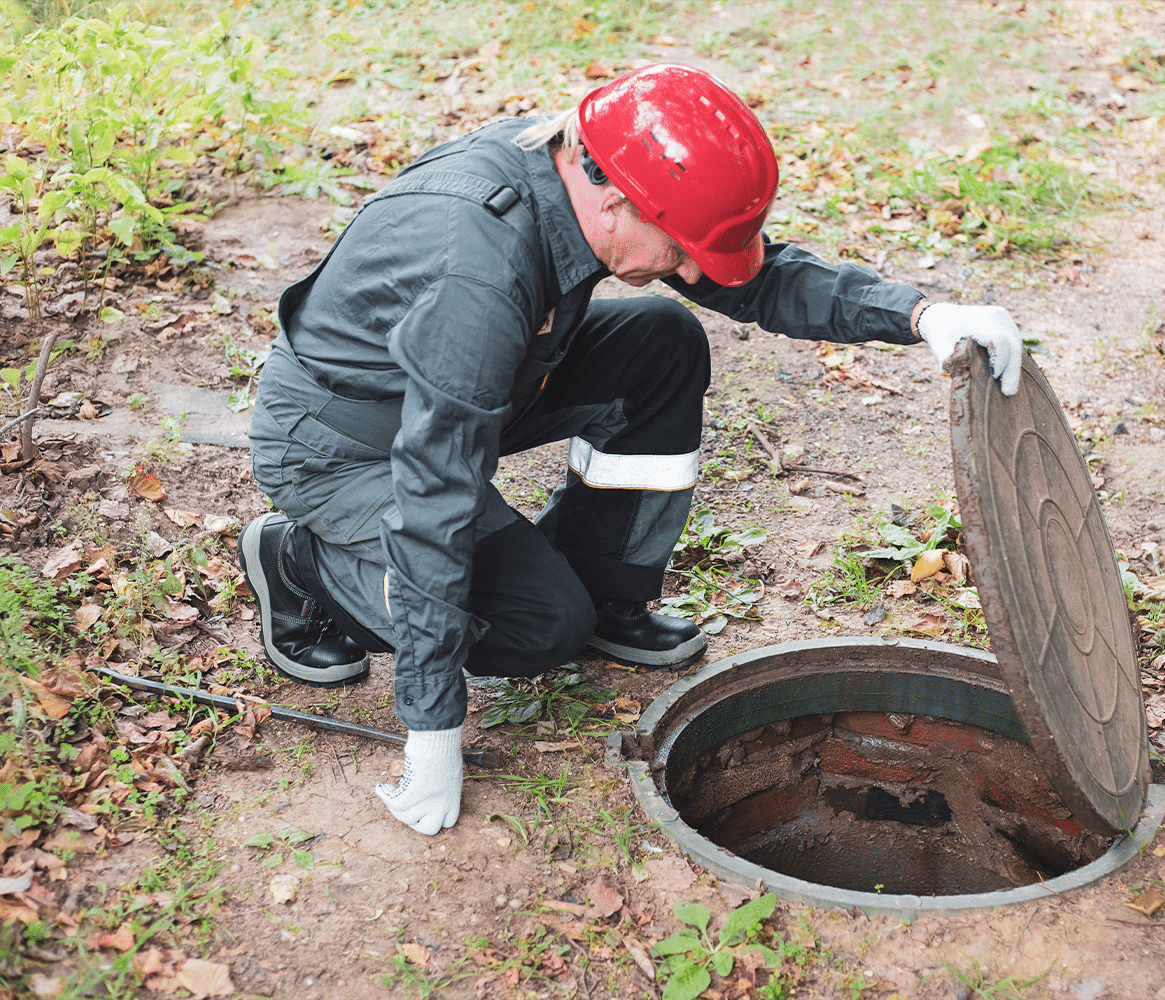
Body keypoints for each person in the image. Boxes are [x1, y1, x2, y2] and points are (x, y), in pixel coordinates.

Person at [238, 63, 1023, 836]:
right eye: (680, 250)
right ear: (613, 199)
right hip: (348, 443)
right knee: (538, 625)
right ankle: (300, 565)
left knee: (661, 340)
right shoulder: (474, 269)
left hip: (480, 383)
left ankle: (605, 590)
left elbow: (752, 282)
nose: (687, 270)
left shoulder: (584, 179)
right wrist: (433, 726)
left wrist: (920, 315)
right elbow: (437, 487)